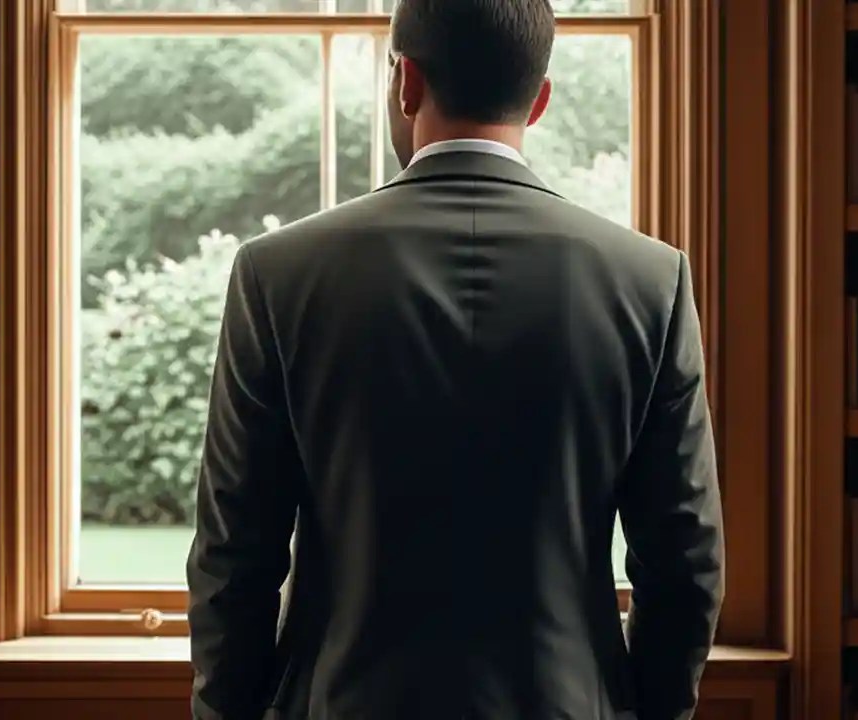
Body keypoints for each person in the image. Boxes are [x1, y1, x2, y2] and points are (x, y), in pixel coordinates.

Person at [187, 0, 724, 717]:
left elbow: (234, 561)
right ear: (538, 101)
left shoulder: (278, 274)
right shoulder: (650, 280)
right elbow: (685, 566)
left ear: (405, 83)